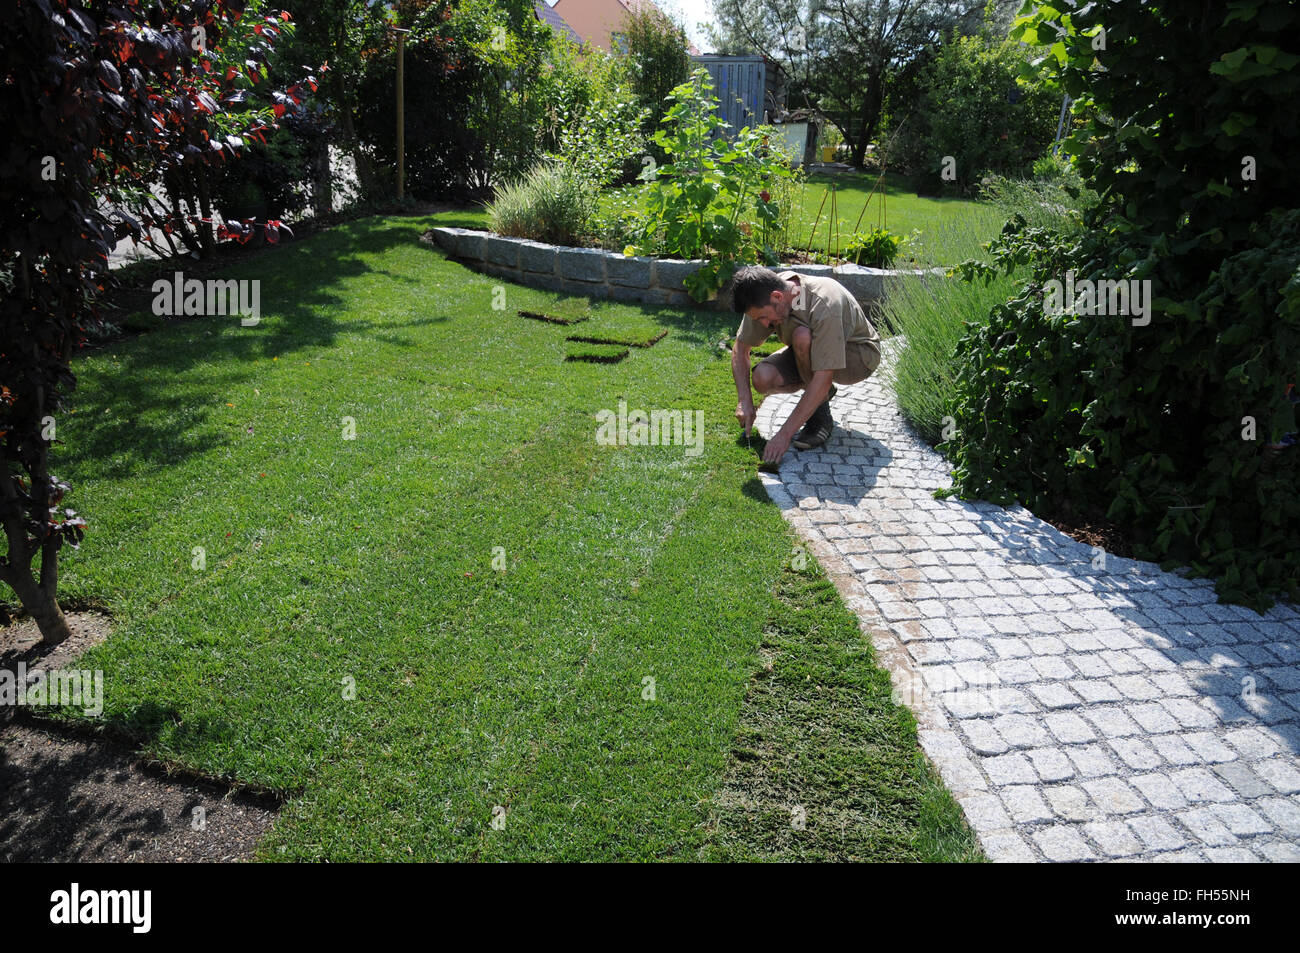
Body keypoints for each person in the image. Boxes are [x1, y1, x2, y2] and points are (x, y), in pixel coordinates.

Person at [730, 265, 882, 465]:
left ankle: (821, 417)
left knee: (802, 337)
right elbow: (740, 350)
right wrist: (744, 400)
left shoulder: (825, 303)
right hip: (813, 349)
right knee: (762, 377)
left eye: (763, 317)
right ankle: (819, 396)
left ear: (777, 297)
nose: (765, 324)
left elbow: (823, 376)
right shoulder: (765, 292)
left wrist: (783, 436)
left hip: (858, 356)